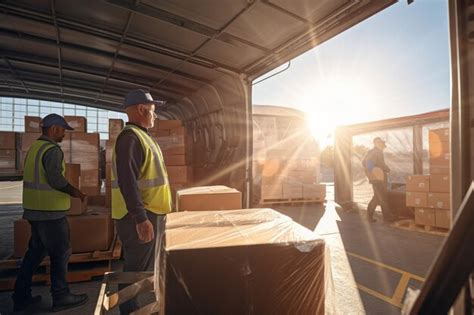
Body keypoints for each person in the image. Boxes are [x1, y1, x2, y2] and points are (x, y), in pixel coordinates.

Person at [12, 114, 89, 312]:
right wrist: (76, 192)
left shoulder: (35, 149)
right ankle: (61, 296)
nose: (64, 134)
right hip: (50, 214)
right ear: (54, 129)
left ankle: (21, 296)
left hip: (34, 211)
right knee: (60, 253)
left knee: (35, 253)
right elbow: (56, 179)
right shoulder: (52, 150)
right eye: (62, 130)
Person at [111, 89, 172, 314]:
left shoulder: (142, 136)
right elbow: (128, 182)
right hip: (139, 216)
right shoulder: (130, 139)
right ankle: (128, 310)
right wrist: (140, 218)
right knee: (134, 270)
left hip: (149, 213)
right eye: (153, 111)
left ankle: (132, 307)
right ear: (141, 109)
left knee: (141, 268)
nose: (155, 115)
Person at [362, 137, 396, 223]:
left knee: (378, 197)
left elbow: (364, 162)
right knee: (381, 197)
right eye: (381, 144)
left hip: (377, 178)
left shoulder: (372, 152)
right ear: (377, 143)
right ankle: (387, 218)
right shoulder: (376, 152)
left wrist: (373, 171)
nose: (383, 146)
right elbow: (369, 163)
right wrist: (380, 170)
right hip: (379, 178)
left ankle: (371, 217)